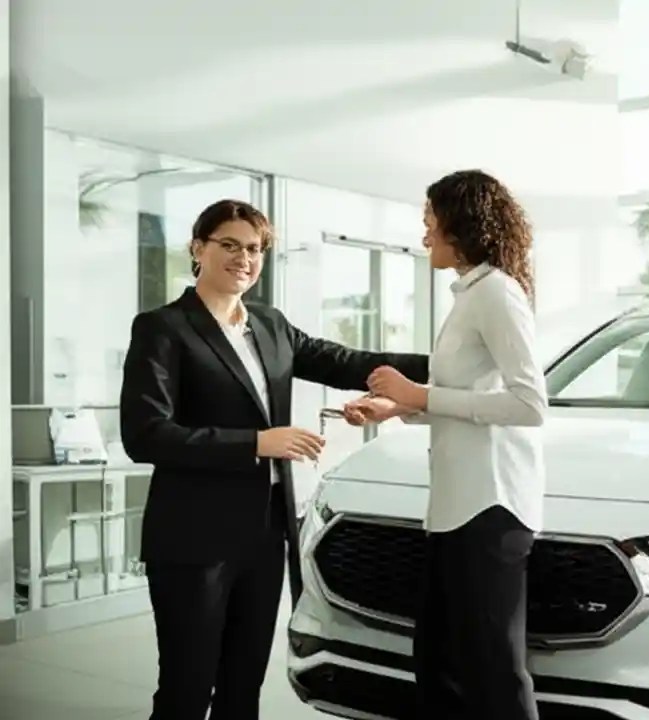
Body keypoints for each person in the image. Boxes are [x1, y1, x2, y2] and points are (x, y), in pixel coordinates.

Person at [119, 199, 431, 720]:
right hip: (194, 539)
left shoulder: (270, 324)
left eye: (255, 249)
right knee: (187, 688)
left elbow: (346, 361)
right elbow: (147, 435)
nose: (244, 258)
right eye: (230, 245)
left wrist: (452, 362)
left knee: (244, 687)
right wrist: (257, 443)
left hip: (264, 535)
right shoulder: (163, 328)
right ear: (198, 248)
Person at [345, 169, 547, 720]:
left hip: (491, 509)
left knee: (491, 672)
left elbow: (530, 405)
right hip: (456, 511)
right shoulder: (472, 295)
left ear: (462, 224)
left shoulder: (498, 295)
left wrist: (421, 394)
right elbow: (466, 398)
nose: (425, 236)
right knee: (440, 666)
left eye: (430, 222)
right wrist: (398, 407)